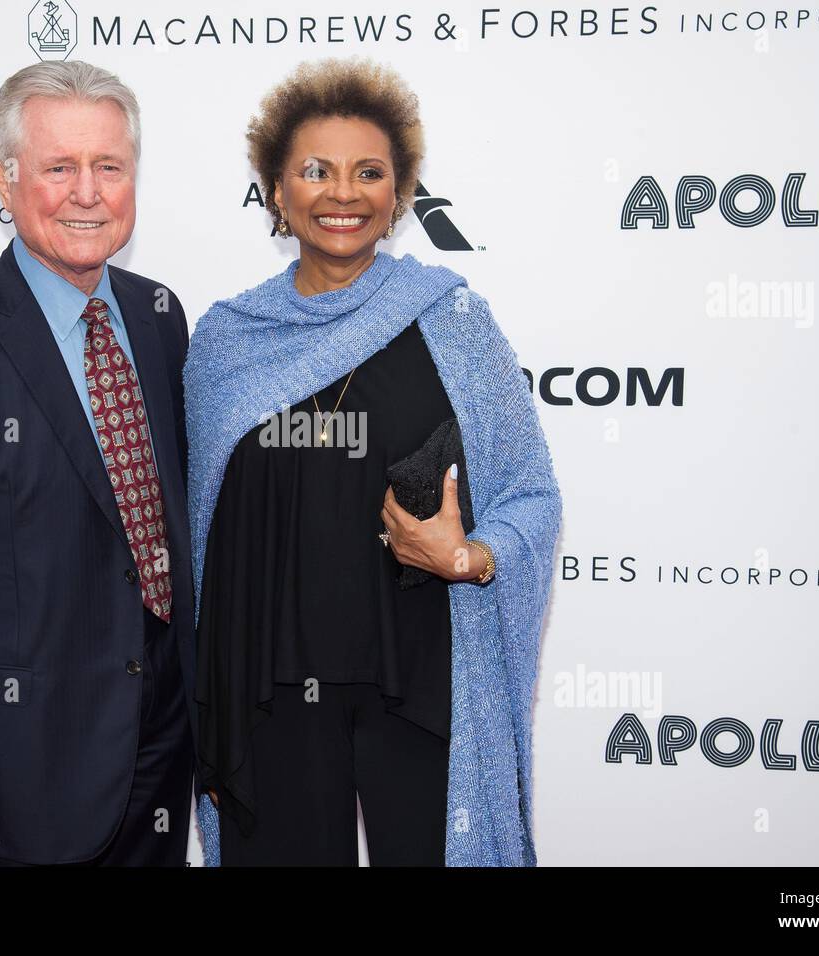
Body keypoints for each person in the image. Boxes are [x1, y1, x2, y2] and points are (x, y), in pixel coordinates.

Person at [184, 57, 563, 866]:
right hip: (269, 702)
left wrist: (470, 555)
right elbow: (203, 550)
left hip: (421, 691)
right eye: (315, 171)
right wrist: (210, 715)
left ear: (399, 196)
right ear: (277, 193)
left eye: (369, 173)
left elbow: (531, 492)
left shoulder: (453, 323)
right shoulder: (225, 342)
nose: (342, 193)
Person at [0, 61, 197, 866]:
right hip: (25, 765)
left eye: (109, 166)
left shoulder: (161, 320)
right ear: (5, 180)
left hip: (162, 740)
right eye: (59, 167)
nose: (88, 192)